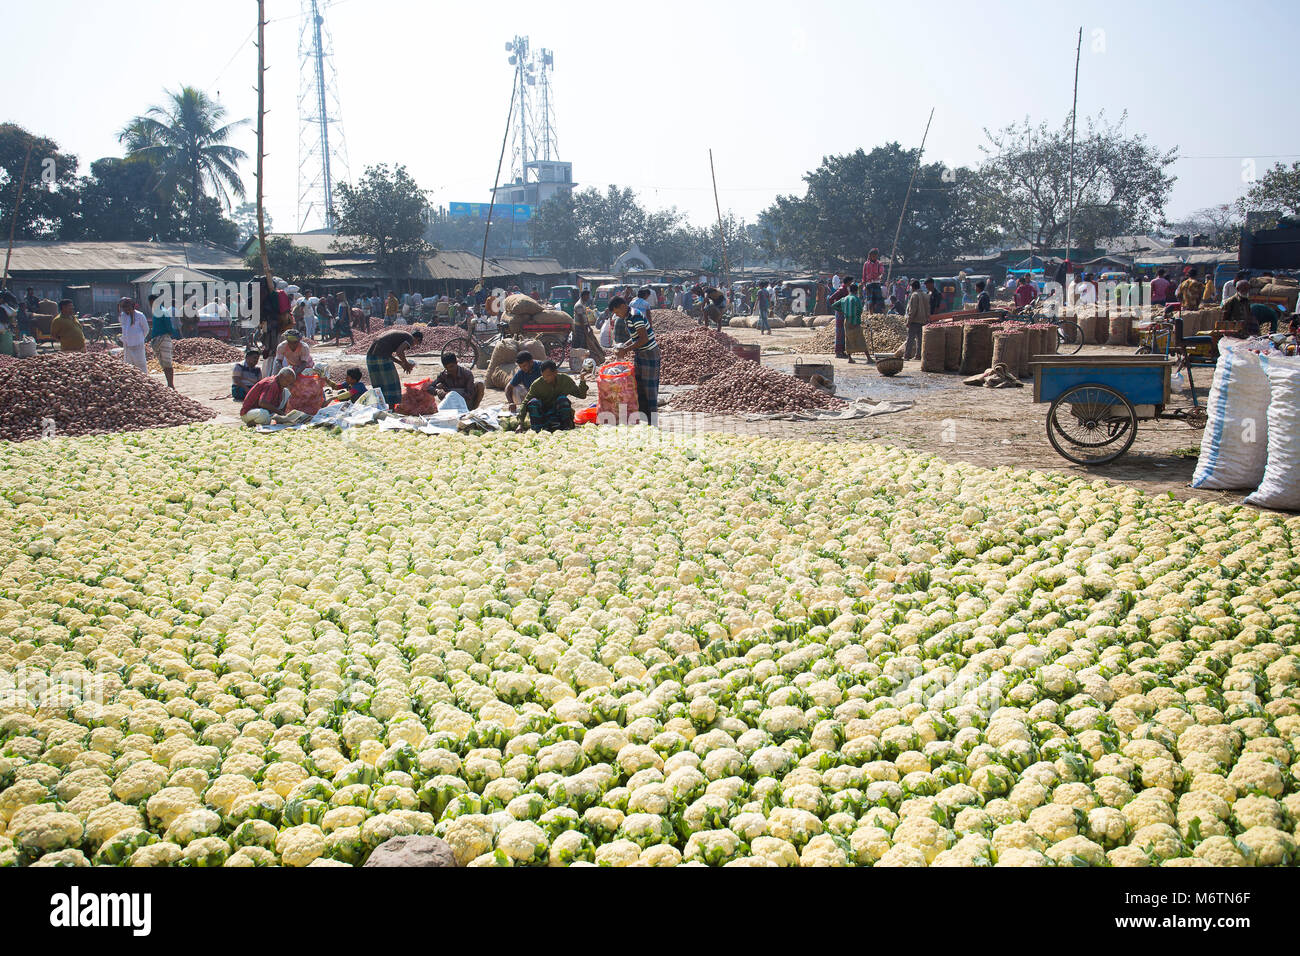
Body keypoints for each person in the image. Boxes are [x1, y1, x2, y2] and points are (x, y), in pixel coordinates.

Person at [613, 295, 660, 422]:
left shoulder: (635, 316)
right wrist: (624, 346)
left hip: (649, 353)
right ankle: (643, 417)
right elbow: (636, 337)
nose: (617, 315)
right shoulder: (628, 318)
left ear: (623, 306)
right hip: (640, 353)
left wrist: (626, 350)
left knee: (649, 388)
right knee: (639, 385)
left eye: (617, 312)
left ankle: (652, 420)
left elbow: (644, 338)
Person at [523, 360, 589, 432]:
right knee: (533, 403)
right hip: (543, 415)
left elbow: (581, 395)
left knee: (563, 399)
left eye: (548, 376)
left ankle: (566, 427)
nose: (545, 379)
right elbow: (526, 402)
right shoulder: (537, 384)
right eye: (543, 376)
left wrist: (582, 379)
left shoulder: (565, 380)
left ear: (555, 372)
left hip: (558, 414)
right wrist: (520, 423)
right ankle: (537, 429)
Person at [366, 327, 422, 407]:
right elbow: (399, 352)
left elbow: (388, 354)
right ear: (417, 339)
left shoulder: (398, 336)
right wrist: (406, 364)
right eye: (416, 344)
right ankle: (391, 408)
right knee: (392, 383)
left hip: (370, 357)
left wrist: (401, 363)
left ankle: (380, 407)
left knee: (378, 384)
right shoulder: (409, 338)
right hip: (381, 357)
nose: (411, 347)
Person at [146, 293, 179, 388]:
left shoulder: (162, 311)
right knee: (164, 363)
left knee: (167, 362)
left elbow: (169, 326)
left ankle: (171, 384)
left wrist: (168, 333)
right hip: (158, 338)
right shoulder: (157, 311)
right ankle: (169, 384)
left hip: (163, 338)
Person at [835, 282, 868, 363]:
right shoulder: (856, 299)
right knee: (860, 338)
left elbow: (834, 305)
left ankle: (850, 358)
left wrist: (843, 311)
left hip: (846, 321)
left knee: (848, 339)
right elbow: (860, 310)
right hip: (855, 321)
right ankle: (869, 358)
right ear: (856, 290)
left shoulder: (844, 299)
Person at [118, 297, 150, 373]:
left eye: (127, 307)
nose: (126, 309)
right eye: (124, 308)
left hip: (138, 345)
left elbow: (146, 329)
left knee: (140, 365)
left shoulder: (140, 315)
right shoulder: (123, 316)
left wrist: (140, 338)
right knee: (129, 365)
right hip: (127, 346)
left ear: (132, 306)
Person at [904, 280, 930, 361]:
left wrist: (909, 321)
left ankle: (907, 355)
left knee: (910, 339)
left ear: (913, 287)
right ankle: (918, 355)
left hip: (915, 321)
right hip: (923, 321)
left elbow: (913, 310)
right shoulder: (925, 295)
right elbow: (928, 309)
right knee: (920, 339)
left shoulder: (914, 295)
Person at [828, 279, 851, 358]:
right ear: (848, 282)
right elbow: (831, 298)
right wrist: (837, 308)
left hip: (844, 312)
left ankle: (842, 351)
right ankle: (838, 352)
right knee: (839, 333)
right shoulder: (841, 290)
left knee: (843, 333)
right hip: (840, 313)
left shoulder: (846, 290)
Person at [862, 249, 886, 314]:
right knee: (870, 300)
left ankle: (885, 314)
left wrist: (881, 275)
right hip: (869, 284)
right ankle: (871, 314)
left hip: (876, 283)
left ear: (876, 256)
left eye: (874, 255)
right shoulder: (866, 264)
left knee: (880, 299)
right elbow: (864, 275)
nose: (872, 257)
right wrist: (864, 284)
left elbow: (881, 272)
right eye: (871, 255)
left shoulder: (879, 263)